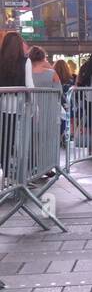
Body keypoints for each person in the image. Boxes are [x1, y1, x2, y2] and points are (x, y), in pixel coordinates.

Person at [0, 33, 33, 187]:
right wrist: (33, 106)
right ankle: (8, 174)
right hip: (15, 106)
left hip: (2, 104)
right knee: (11, 140)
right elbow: (29, 86)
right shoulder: (25, 61)